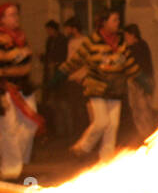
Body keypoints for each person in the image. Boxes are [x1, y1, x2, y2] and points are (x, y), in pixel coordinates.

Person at [51, 8, 138, 162]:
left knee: (112, 127)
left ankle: (106, 161)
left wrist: (141, 79)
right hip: (97, 87)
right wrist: (59, 75)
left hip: (115, 89)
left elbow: (129, 63)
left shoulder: (120, 42)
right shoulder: (91, 42)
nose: (118, 23)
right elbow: (75, 60)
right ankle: (82, 147)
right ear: (104, 23)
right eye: (114, 20)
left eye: (118, 19)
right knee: (102, 121)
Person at [0, 3, 44, 180]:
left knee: (30, 124)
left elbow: (25, 63)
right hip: (4, 87)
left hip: (23, 87)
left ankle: (17, 160)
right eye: (10, 15)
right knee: (8, 129)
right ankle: (10, 170)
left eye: (16, 14)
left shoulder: (22, 38)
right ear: (1, 20)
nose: (15, 18)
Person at [123, 23, 158, 140]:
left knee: (143, 111)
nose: (125, 39)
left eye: (126, 36)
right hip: (137, 82)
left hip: (141, 82)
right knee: (137, 111)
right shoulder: (140, 46)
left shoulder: (138, 47)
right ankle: (144, 136)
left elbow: (139, 67)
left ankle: (148, 137)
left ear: (133, 35)